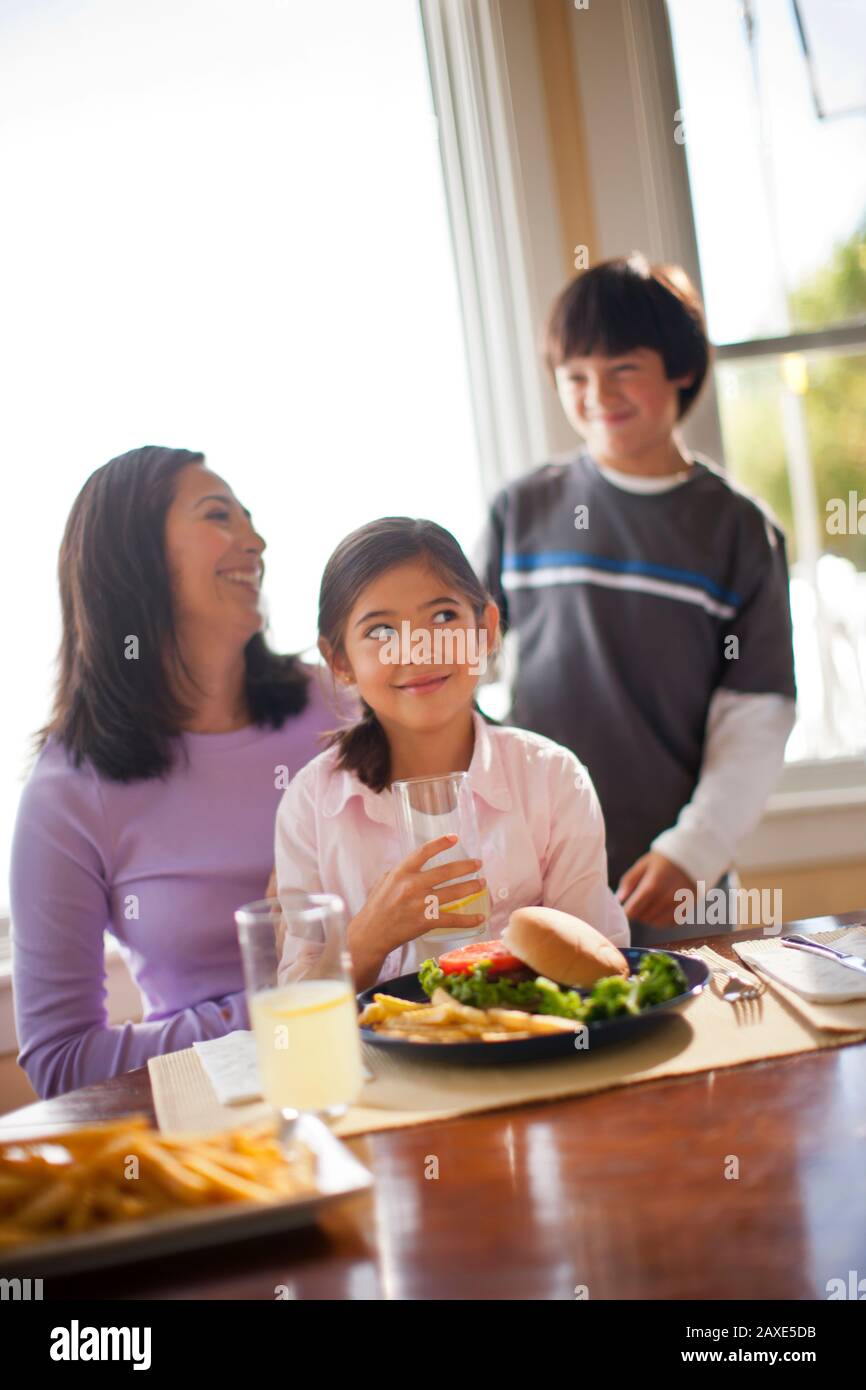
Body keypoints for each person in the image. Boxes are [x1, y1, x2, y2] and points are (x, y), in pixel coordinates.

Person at [474, 254, 797, 942]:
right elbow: (463, 670)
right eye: (576, 376)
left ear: (680, 368)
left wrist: (695, 851)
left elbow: (757, 719)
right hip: (532, 879)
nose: (599, 395)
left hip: (674, 882)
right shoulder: (521, 509)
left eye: (623, 370)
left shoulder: (739, 531)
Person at [11, 445, 347, 1098]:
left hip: (396, 1060)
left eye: (249, 519)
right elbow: (60, 1062)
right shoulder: (66, 792)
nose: (256, 541)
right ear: (134, 558)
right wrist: (289, 1004)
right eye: (219, 516)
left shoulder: (337, 702)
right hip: (216, 1116)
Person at [274, 516, 628, 992]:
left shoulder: (553, 778)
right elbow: (298, 1009)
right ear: (340, 662)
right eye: (380, 631)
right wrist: (368, 938)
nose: (419, 651)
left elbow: (600, 967)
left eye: (442, 618)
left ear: (485, 631)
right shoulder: (311, 804)